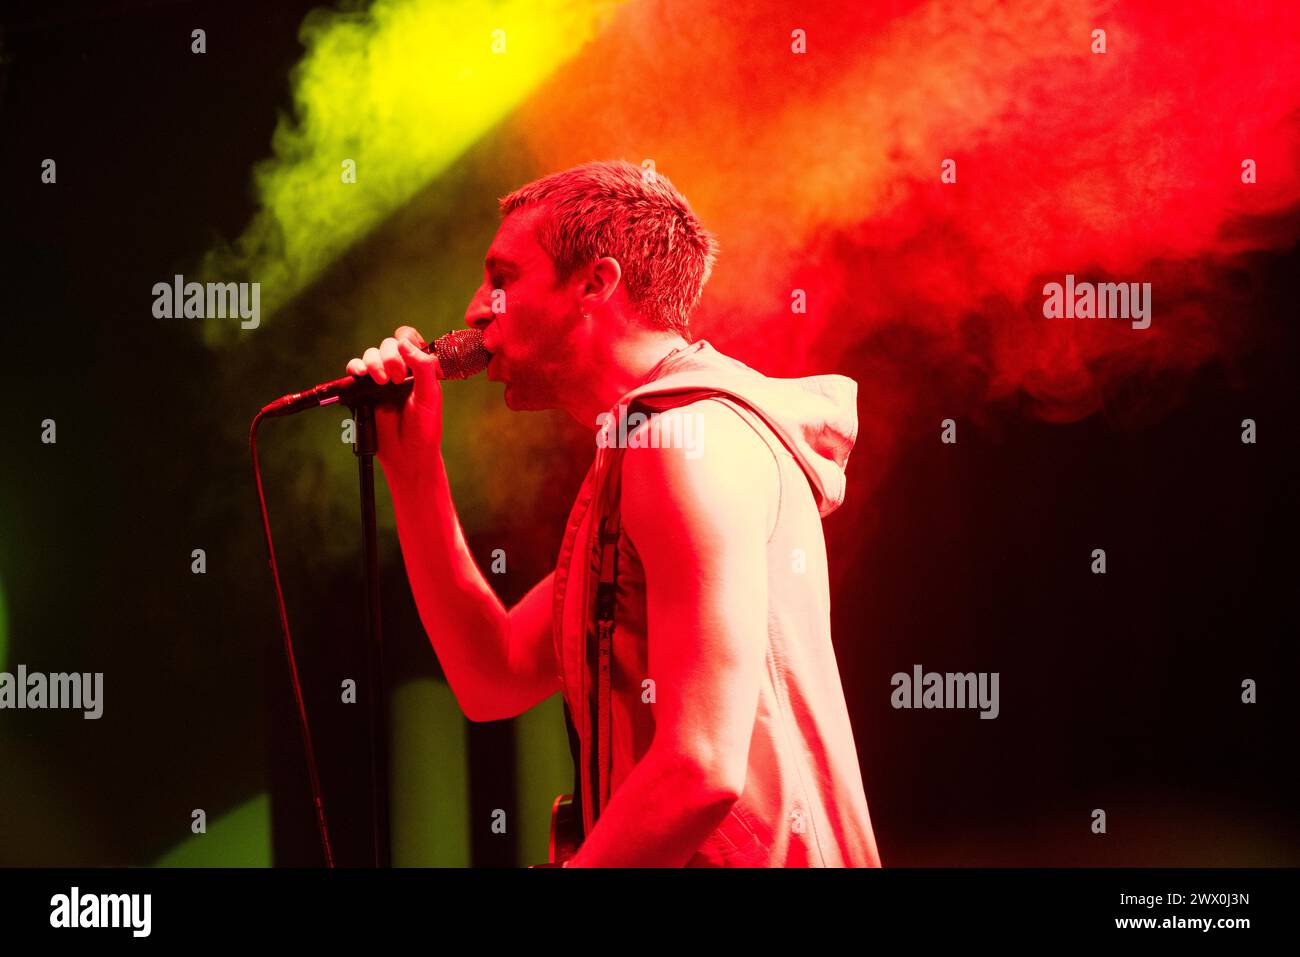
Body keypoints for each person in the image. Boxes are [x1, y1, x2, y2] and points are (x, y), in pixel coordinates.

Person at [346, 160, 881, 867]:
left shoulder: (682, 442)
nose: (477, 309)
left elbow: (700, 767)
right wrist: (414, 471)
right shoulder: (641, 450)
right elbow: (494, 673)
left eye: (502, 279)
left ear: (596, 283)